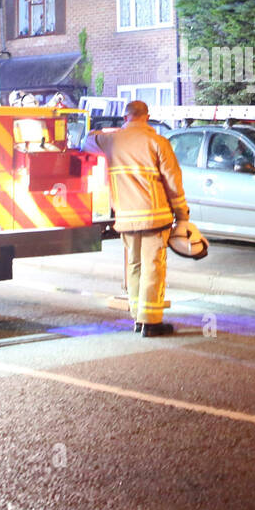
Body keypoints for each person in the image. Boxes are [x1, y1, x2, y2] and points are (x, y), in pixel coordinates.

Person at [85, 100, 189, 337]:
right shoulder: (158, 142)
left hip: (126, 217)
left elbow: (87, 139)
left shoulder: (112, 141)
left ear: (125, 118)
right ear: (147, 116)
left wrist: (111, 131)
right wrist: (182, 215)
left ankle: (137, 318)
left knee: (133, 266)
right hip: (155, 217)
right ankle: (151, 321)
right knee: (153, 267)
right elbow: (174, 183)